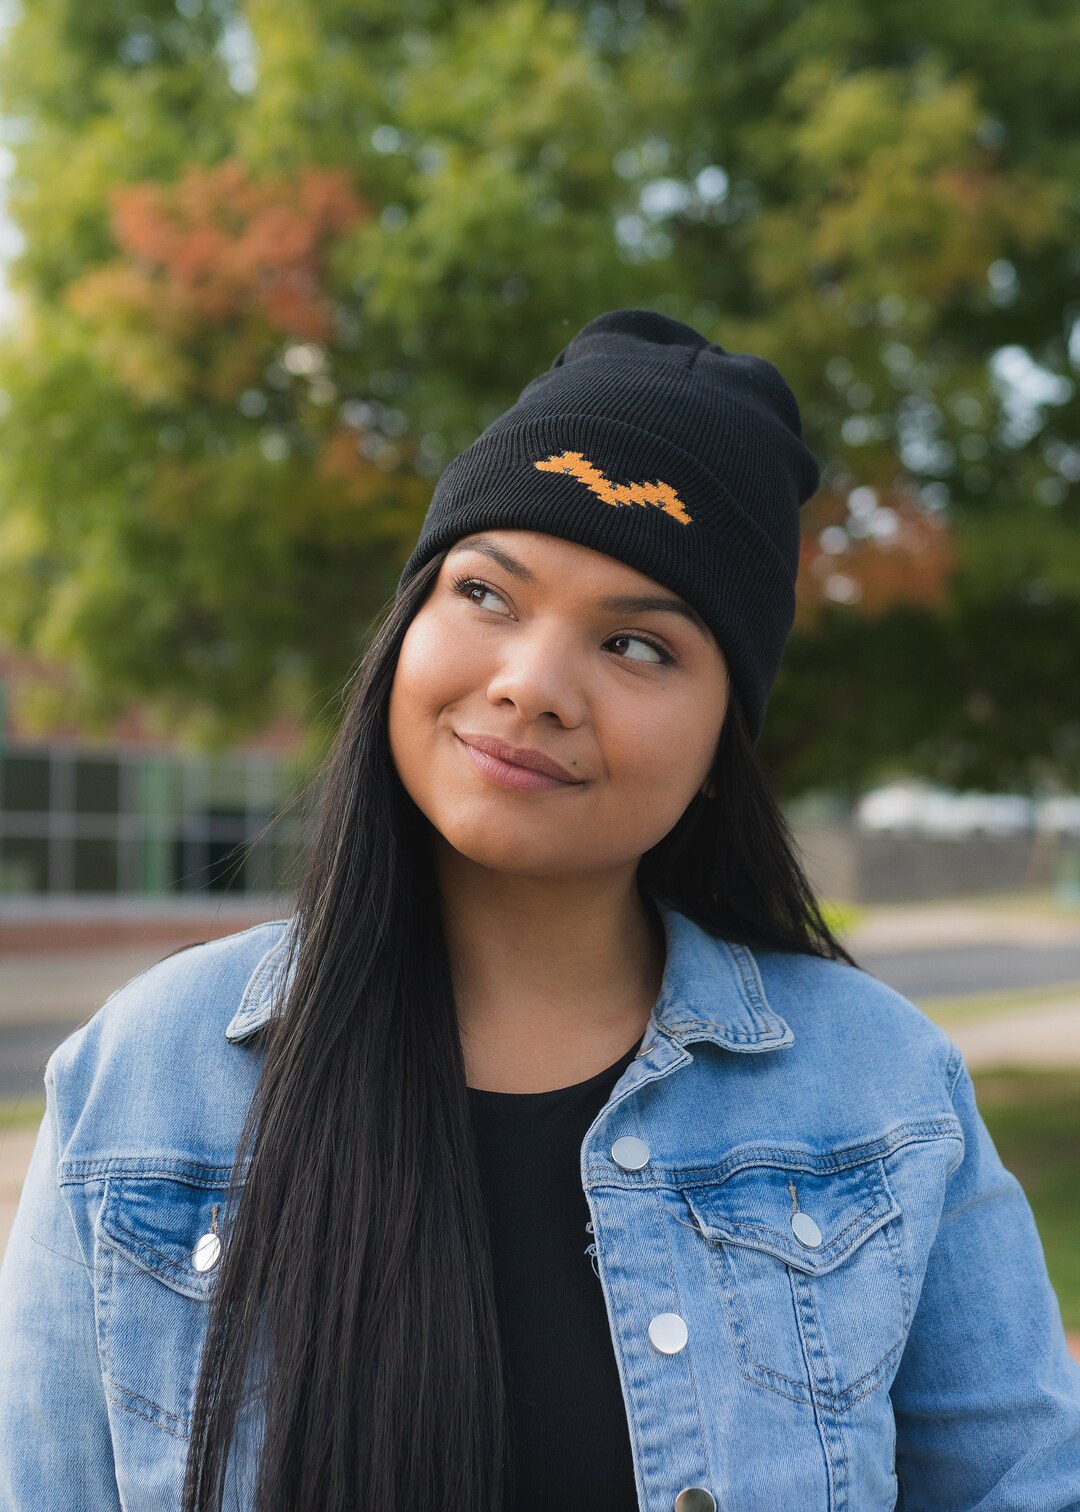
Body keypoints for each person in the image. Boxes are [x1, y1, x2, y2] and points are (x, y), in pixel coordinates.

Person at [1, 309, 1078, 1512]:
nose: (533, 685)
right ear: (407, 626)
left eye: (636, 644)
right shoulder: (141, 1079)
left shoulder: (883, 1090)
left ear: (726, 741)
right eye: (486, 593)